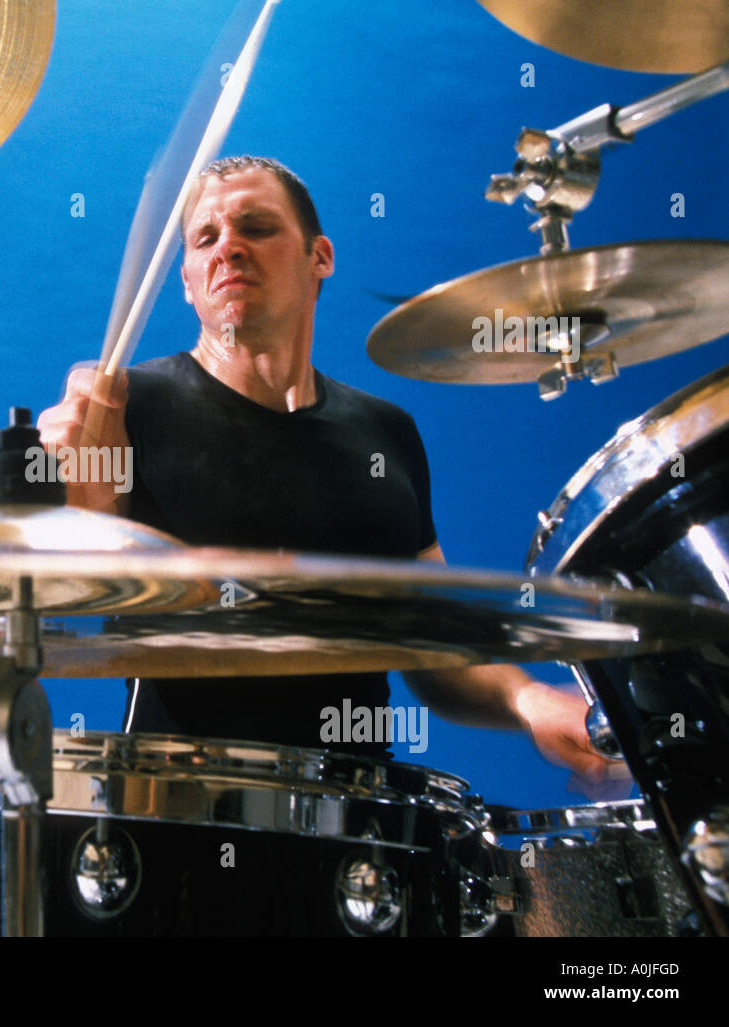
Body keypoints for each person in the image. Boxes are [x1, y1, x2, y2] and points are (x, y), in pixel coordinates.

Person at [38, 155, 623, 796]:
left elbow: (430, 645)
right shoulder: (126, 408)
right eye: (205, 238)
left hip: (359, 825)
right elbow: (65, 612)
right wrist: (82, 507)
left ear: (320, 257)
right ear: (185, 279)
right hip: (175, 816)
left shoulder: (385, 432)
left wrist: (528, 700)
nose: (227, 247)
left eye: (256, 227)